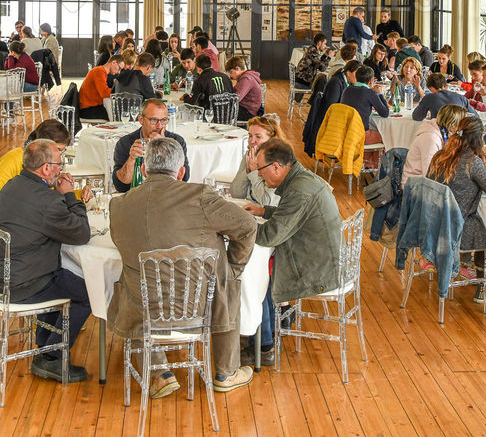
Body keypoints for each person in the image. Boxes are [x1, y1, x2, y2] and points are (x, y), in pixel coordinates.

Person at [109, 137, 256, 396]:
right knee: (224, 280)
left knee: (131, 280)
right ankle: (226, 371)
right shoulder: (199, 195)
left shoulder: (119, 205)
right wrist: (234, 265)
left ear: (144, 170)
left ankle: (159, 371)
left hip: (144, 305)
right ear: (181, 172)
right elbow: (247, 225)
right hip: (199, 304)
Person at [0, 138, 93, 382]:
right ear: (46, 168)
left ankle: (45, 352)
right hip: (22, 283)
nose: (62, 168)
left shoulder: (12, 185)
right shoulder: (48, 201)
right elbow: (81, 234)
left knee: (59, 276)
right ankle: (53, 358)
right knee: (88, 291)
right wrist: (70, 197)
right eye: (59, 163)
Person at [242, 139, 342, 348]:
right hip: (323, 257)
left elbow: (269, 236)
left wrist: (238, 227)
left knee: (256, 274)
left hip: (317, 269)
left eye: (260, 169)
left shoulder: (299, 191)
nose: (258, 174)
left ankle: (264, 345)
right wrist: (264, 211)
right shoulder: (301, 180)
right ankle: (273, 327)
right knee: (261, 266)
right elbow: (292, 216)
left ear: (276, 167)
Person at [427, 113, 486, 302]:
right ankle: (483, 286)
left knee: (477, 221)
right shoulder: (472, 162)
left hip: (432, 223)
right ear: (480, 138)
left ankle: (463, 267)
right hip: (456, 228)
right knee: (483, 227)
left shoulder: (441, 155)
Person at [0, 119, 73, 221]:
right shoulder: (14, 158)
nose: (60, 156)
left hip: (20, 221)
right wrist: (25, 199)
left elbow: (49, 196)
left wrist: (76, 194)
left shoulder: (47, 163)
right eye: (58, 150)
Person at [111, 98, 192, 192]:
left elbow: (184, 178)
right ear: (141, 120)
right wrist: (132, 159)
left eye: (163, 120)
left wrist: (163, 146)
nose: (159, 126)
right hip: (136, 197)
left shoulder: (176, 141)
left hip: (167, 195)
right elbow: (120, 186)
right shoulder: (126, 143)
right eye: (154, 120)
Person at [402, 103, 468, 186]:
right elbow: (430, 173)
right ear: (453, 123)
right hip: (415, 186)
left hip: (423, 182)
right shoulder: (431, 138)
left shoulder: (443, 133)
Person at [230, 115, 282, 206]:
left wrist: (254, 171)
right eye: (250, 136)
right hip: (249, 208)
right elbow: (236, 193)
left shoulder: (278, 162)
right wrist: (247, 169)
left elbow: (267, 203)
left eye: (258, 137)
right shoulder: (250, 155)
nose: (252, 141)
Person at [339, 60, 389, 133]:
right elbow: (385, 113)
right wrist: (379, 94)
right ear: (371, 81)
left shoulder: (347, 89)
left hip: (344, 130)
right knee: (384, 136)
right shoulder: (370, 93)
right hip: (360, 133)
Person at [79, 54, 121, 121]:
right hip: (87, 110)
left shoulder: (101, 71)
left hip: (91, 107)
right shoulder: (99, 71)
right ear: (113, 62)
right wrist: (120, 90)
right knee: (116, 116)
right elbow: (104, 93)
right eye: (119, 68)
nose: (119, 72)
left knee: (116, 113)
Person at [226, 56, 263, 121]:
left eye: (231, 72)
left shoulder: (246, 79)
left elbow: (236, 98)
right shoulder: (247, 76)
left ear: (237, 68)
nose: (230, 75)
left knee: (221, 113)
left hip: (248, 112)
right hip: (248, 109)